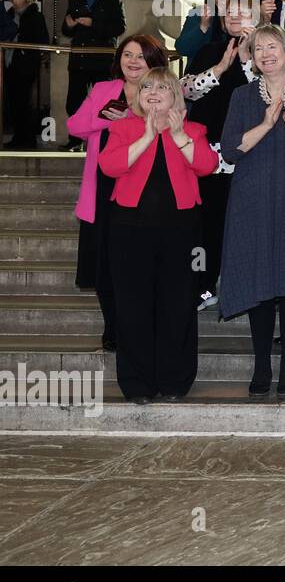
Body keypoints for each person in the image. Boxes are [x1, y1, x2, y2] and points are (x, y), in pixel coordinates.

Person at [219, 25, 285, 399]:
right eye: (258, 48)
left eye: (272, 46)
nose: (265, 53)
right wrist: (266, 123)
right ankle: (262, 362)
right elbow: (230, 149)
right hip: (252, 198)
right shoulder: (242, 95)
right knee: (258, 279)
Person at [99, 68, 217, 403]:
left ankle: (175, 381)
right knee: (133, 305)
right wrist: (147, 136)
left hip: (181, 231)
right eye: (147, 86)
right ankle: (137, 384)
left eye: (162, 87)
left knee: (177, 304)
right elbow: (110, 166)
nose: (153, 92)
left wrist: (178, 136)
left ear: (175, 95)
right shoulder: (122, 127)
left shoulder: (195, 129)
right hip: (128, 229)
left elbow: (207, 165)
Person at [67, 34, 169, 351]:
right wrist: (102, 118)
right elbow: (74, 126)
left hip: (144, 187)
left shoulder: (161, 90)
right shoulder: (103, 90)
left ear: (154, 61)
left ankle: (141, 325)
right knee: (104, 265)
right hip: (103, 185)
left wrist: (133, 119)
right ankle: (113, 326)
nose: (133, 61)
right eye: (127, 54)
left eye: (141, 56)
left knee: (137, 264)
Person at [184, 2, 254, 310]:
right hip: (209, 153)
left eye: (243, 11)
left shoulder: (268, 51)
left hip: (250, 154)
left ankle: (245, 287)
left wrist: (249, 59)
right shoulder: (208, 50)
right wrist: (220, 69)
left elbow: (270, 95)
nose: (235, 17)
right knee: (208, 224)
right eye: (230, 12)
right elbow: (187, 90)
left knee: (244, 224)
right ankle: (204, 284)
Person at [62, 0, 126, 150]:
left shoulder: (113, 1)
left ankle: (104, 141)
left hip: (102, 61)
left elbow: (119, 28)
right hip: (79, 60)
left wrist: (93, 23)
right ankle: (75, 141)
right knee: (74, 102)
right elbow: (65, 30)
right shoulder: (76, 1)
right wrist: (70, 25)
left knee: (105, 103)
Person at [2, 0, 49, 149]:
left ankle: (27, 139)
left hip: (25, 66)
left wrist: (21, 46)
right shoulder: (14, 15)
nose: (12, 1)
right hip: (13, 64)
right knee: (15, 103)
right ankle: (18, 137)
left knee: (24, 103)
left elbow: (42, 39)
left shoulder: (34, 15)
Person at [176, 0, 242, 62]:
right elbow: (182, 49)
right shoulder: (198, 13)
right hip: (201, 73)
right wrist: (203, 27)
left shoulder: (245, 13)